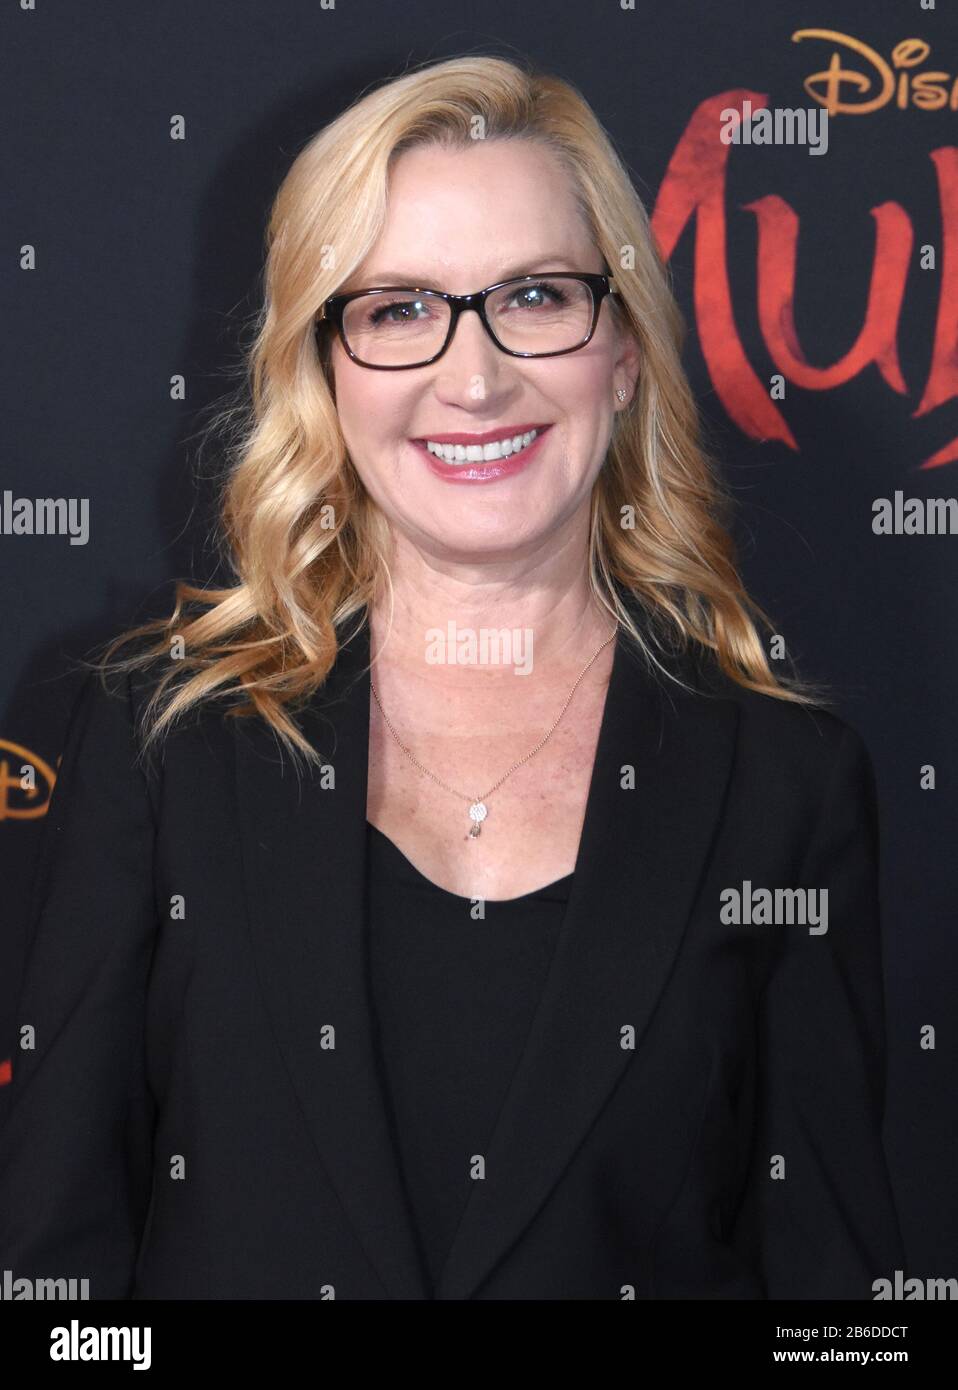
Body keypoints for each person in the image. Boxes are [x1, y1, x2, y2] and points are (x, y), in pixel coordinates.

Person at [0, 53, 905, 1299]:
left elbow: (831, 1297)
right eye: (397, 309)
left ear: (625, 352)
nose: (472, 378)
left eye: (535, 296)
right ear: (323, 371)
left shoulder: (787, 788)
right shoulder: (162, 739)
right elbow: (51, 1276)